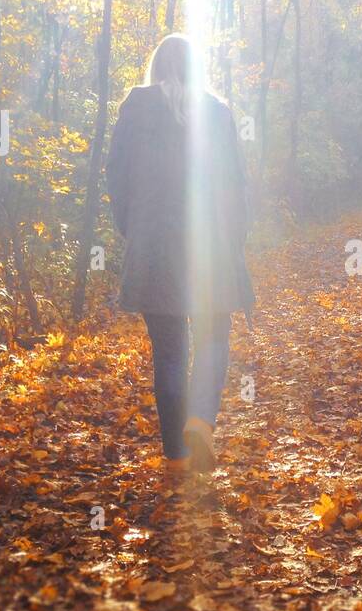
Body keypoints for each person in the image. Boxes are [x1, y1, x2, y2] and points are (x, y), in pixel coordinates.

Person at [106, 34, 254, 477]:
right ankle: (200, 421)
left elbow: (116, 177)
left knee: (169, 352)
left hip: (154, 249)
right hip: (210, 246)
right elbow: (234, 186)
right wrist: (235, 239)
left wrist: (133, 230)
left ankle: (175, 458)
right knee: (213, 336)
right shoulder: (217, 111)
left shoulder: (134, 109)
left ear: (157, 68)